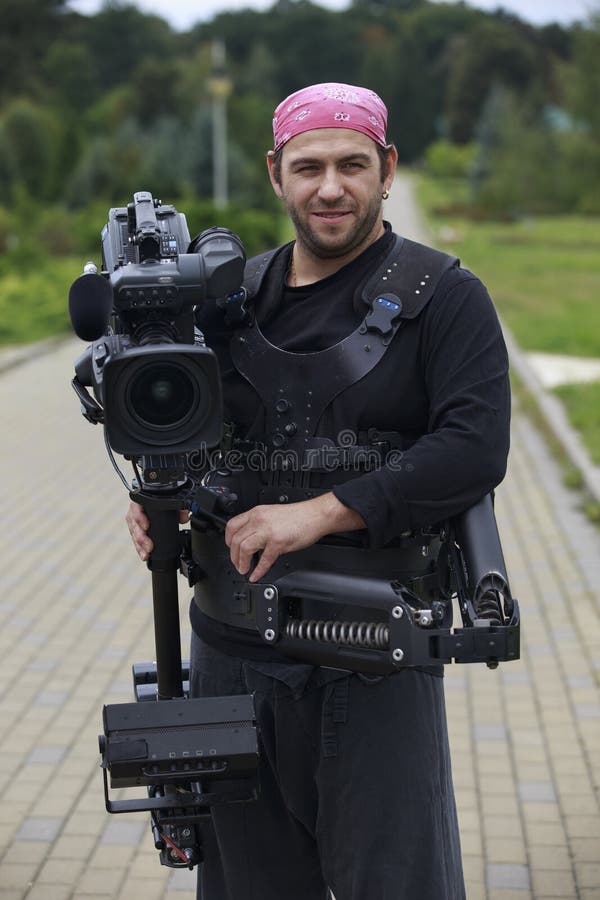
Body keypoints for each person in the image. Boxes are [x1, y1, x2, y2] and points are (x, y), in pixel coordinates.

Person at [127, 82, 510, 900]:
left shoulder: (446, 297)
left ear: (388, 169)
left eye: (351, 165)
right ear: (275, 172)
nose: (330, 188)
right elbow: (193, 435)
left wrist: (324, 512)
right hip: (232, 657)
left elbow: (474, 448)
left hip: (374, 662)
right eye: (308, 167)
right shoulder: (228, 303)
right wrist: (164, 499)